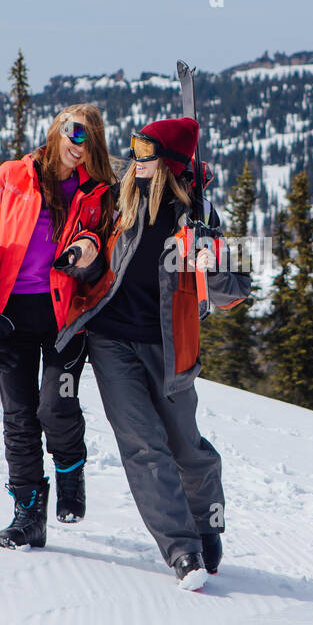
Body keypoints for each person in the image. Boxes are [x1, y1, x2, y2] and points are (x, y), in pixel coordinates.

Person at [54, 117, 250, 589]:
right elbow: (95, 239)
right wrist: (85, 254)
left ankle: (207, 526)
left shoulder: (200, 217)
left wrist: (214, 265)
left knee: (188, 447)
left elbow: (239, 285)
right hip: (111, 338)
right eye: (135, 146)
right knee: (144, 447)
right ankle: (182, 550)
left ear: (170, 163)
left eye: (145, 150)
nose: (134, 156)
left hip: (169, 344)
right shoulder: (119, 195)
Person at [0, 104, 116, 549]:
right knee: (20, 417)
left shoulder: (97, 192)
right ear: (57, 130)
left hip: (66, 318)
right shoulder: (11, 176)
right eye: (75, 133)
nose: (80, 146)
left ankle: (70, 470)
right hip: (10, 317)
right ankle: (28, 512)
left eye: (91, 140)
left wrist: (87, 249)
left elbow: (101, 244)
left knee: (55, 407)